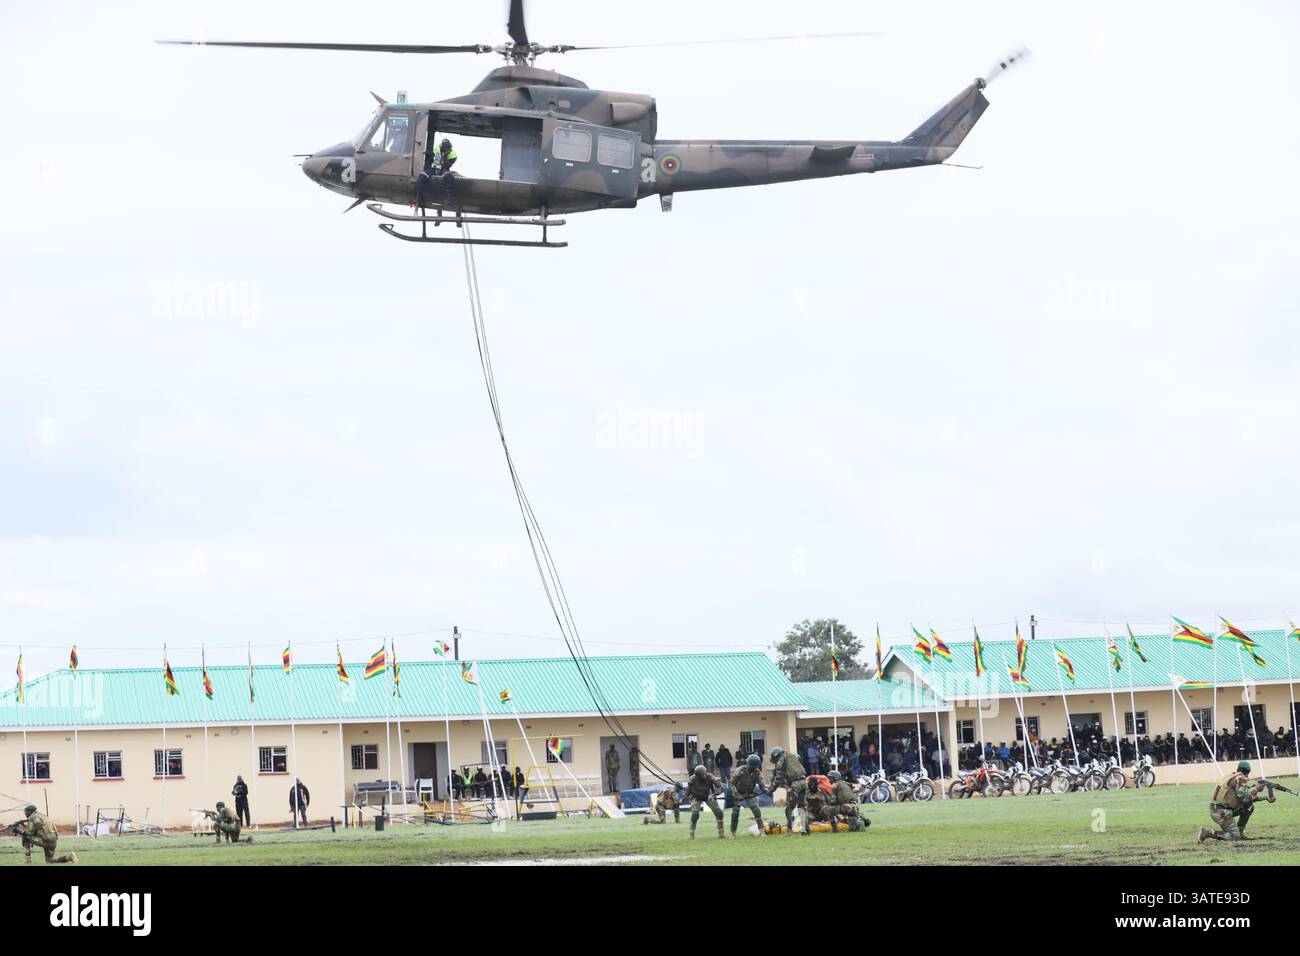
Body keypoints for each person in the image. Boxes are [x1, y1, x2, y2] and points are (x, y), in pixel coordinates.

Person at [1200, 760, 1274, 842]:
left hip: (1218, 809)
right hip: (1221, 812)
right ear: (1248, 772)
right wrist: (1256, 789)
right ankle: (1208, 833)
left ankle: (1240, 832)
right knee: (1234, 836)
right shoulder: (1241, 778)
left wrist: (1265, 798)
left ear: (1238, 769)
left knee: (1249, 806)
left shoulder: (1231, 776)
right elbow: (1245, 797)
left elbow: (1245, 797)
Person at [13, 804, 77, 864]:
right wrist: (25, 825)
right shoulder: (42, 816)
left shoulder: (34, 818)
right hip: (52, 841)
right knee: (50, 860)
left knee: (26, 837)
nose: (25, 814)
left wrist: (18, 830)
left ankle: (28, 860)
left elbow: (29, 833)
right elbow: (38, 829)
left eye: (26, 812)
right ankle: (68, 857)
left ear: (30, 812)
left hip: (45, 841)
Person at [768, 745, 810, 835]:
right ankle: (805, 829)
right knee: (801, 808)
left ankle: (789, 830)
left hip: (795, 785)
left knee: (789, 809)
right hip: (804, 782)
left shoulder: (780, 761)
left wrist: (771, 790)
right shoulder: (792, 756)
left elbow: (778, 778)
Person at [728, 753, 765, 836]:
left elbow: (761, 783)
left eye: (756, 766)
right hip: (738, 793)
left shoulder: (757, 772)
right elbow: (731, 783)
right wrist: (737, 794)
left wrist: (766, 790)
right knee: (735, 813)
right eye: (754, 766)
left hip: (749, 794)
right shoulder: (740, 770)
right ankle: (733, 833)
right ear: (749, 764)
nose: (755, 768)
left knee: (756, 811)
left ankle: (762, 831)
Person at [685, 765, 725, 840]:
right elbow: (688, 791)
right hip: (696, 797)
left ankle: (721, 833)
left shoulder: (710, 777)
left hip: (708, 796)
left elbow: (720, 787)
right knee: (695, 814)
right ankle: (691, 833)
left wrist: (714, 794)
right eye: (702, 774)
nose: (705, 775)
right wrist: (689, 799)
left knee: (719, 812)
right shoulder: (692, 779)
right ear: (698, 775)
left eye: (705, 773)